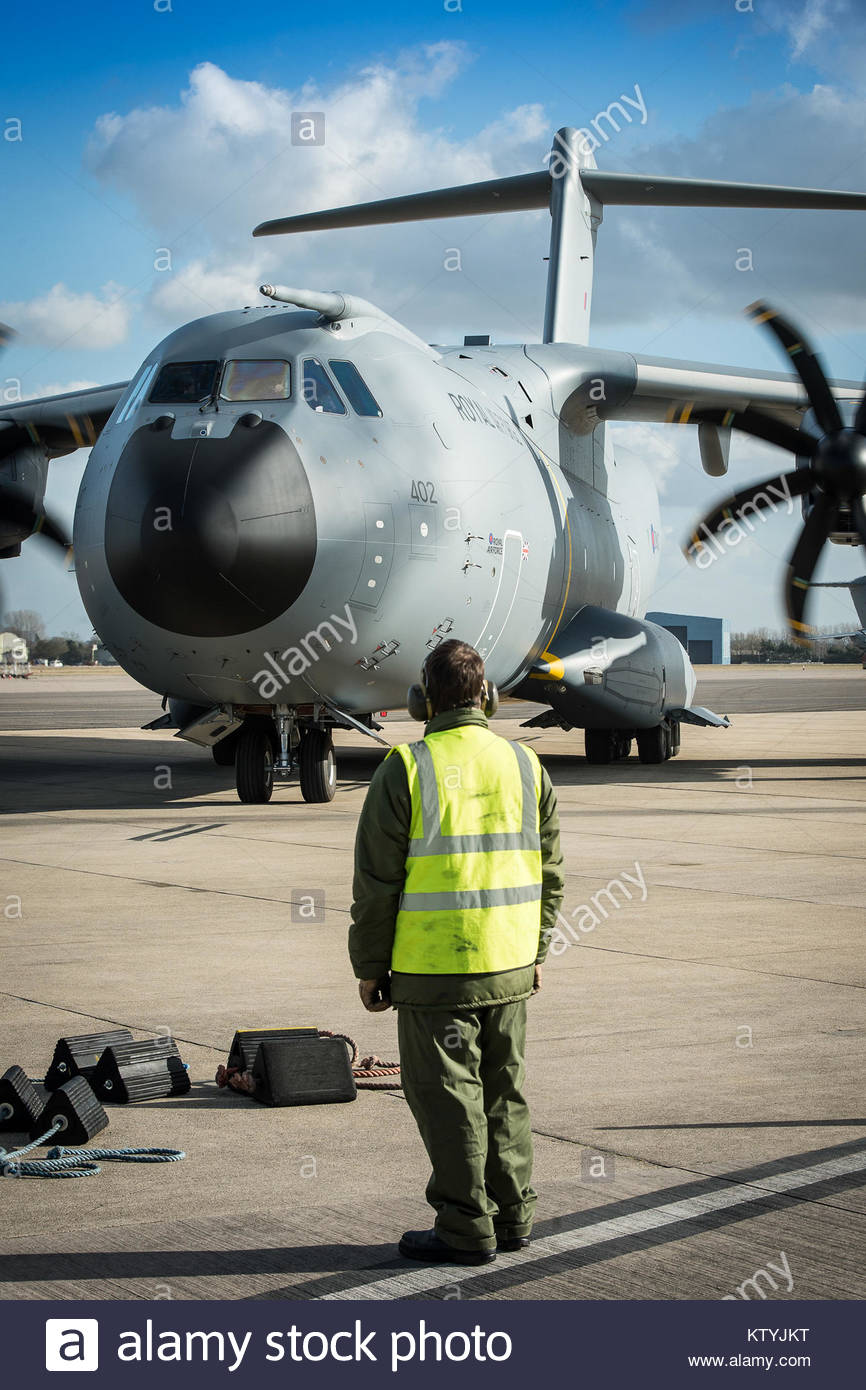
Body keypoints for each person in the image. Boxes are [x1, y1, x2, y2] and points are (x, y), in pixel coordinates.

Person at [349, 639, 564, 1266]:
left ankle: (466, 1228)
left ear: (424, 700)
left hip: (433, 970)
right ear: (488, 697)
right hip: (510, 964)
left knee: (449, 1099)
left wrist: (369, 968)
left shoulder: (406, 768)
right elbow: (551, 871)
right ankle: (515, 1215)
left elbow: (377, 885)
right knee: (505, 1090)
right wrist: (538, 948)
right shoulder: (527, 766)